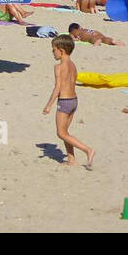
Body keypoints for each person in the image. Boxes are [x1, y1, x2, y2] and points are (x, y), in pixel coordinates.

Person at [43, 35, 95, 169]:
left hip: (65, 101)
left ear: (61, 50)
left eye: (53, 50)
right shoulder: (73, 65)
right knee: (66, 132)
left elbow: (58, 87)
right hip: (74, 101)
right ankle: (71, 159)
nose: (52, 53)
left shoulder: (59, 67)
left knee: (61, 133)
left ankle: (88, 150)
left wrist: (49, 105)